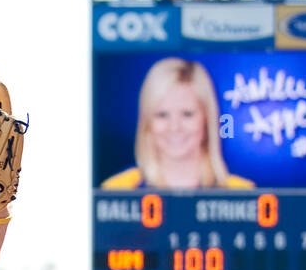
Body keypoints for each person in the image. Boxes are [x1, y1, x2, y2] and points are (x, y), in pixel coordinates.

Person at [100, 58, 254, 191]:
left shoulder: (243, 192)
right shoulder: (116, 189)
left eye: (187, 114)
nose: (174, 127)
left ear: (206, 120)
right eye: (162, 115)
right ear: (147, 123)